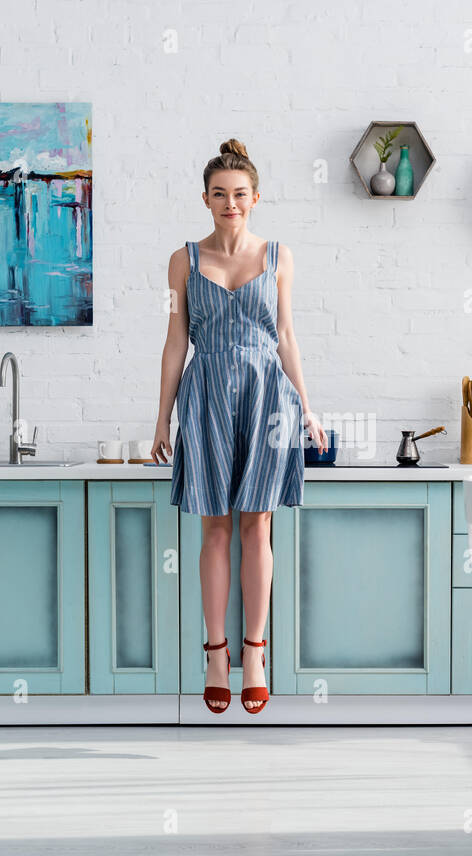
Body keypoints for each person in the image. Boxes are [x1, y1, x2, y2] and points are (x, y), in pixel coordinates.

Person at [152, 138, 327, 715]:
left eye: (240, 194)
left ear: (256, 198)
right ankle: (215, 653)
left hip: (267, 398)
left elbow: (286, 338)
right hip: (202, 398)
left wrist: (307, 406)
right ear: (205, 198)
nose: (231, 203)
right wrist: (161, 419)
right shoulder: (183, 261)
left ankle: (254, 652)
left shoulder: (278, 256)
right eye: (220, 194)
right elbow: (176, 340)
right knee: (215, 530)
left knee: (257, 527)